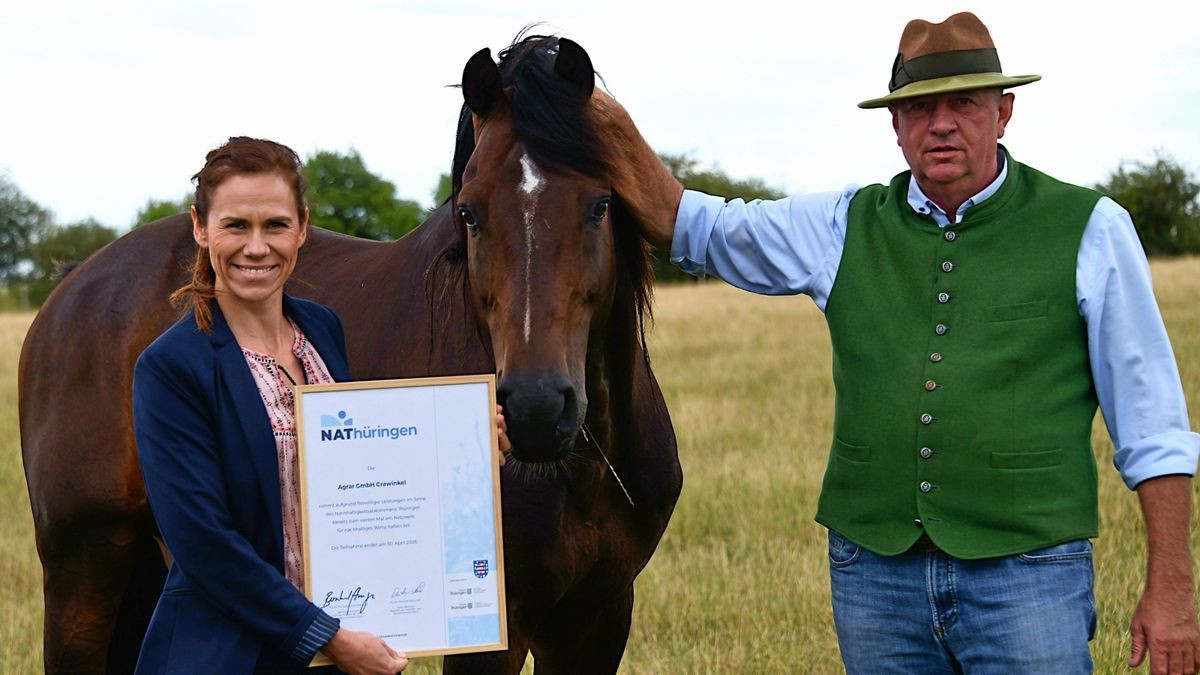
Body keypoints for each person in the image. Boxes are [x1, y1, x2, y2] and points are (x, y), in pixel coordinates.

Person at [629, 12, 1200, 675]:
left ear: (1004, 112)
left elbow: (1153, 423)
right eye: (921, 108)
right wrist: (597, 118)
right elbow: (692, 224)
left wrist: (1172, 589)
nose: (942, 124)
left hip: (1029, 576)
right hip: (875, 576)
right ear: (896, 125)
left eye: (965, 103)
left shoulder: (1092, 229)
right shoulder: (842, 225)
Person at [132, 137, 510, 673]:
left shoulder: (321, 329)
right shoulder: (170, 367)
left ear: (302, 228)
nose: (257, 247)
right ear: (200, 227)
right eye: (235, 225)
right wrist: (325, 636)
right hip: (232, 655)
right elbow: (202, 543)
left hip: (338, 649)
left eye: (276, 225)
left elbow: (355, 478)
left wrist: (463, 454)